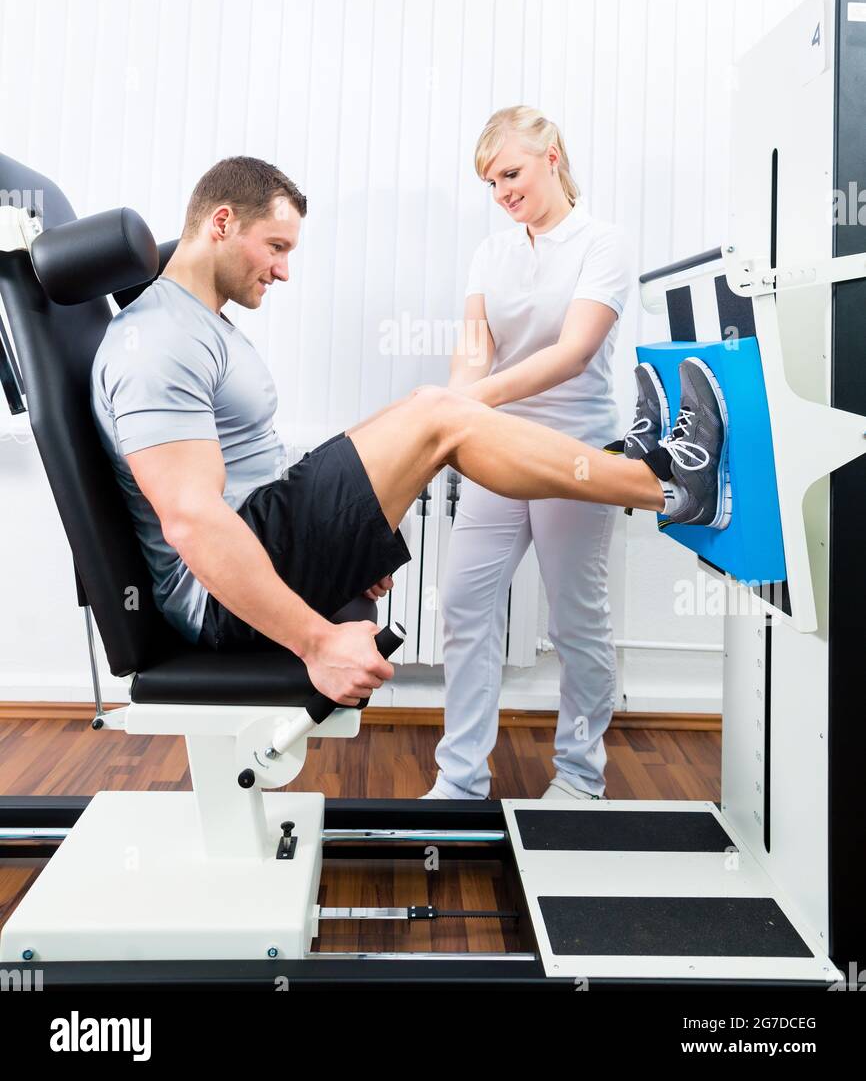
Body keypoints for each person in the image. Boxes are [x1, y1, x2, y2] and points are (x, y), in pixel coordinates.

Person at [90, 157, 731, 709]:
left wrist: (349, 538)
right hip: (219, 602)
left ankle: (648, 467)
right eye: (276, 247)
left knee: (430, 404)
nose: (284, 271)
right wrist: (316, 643)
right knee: (440, 416)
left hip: (266, 528)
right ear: (222, 223)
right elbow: (192, 522)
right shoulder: (157, 343)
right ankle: (666, 486)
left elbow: (251, 474)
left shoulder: (197, 322)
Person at [422, 105, 631, 802]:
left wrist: (469, 406)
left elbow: (573, 354)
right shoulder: (494, 252)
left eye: (509, 173)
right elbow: (475, 350)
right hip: (500, 447)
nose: (502, 191)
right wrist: (456, 407)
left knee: (575, 614)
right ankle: (460, 777)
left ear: (551, 156)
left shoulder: (602, 244)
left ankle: (579, 776)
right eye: (490, 182)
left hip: (575, 451)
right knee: (463, 602)